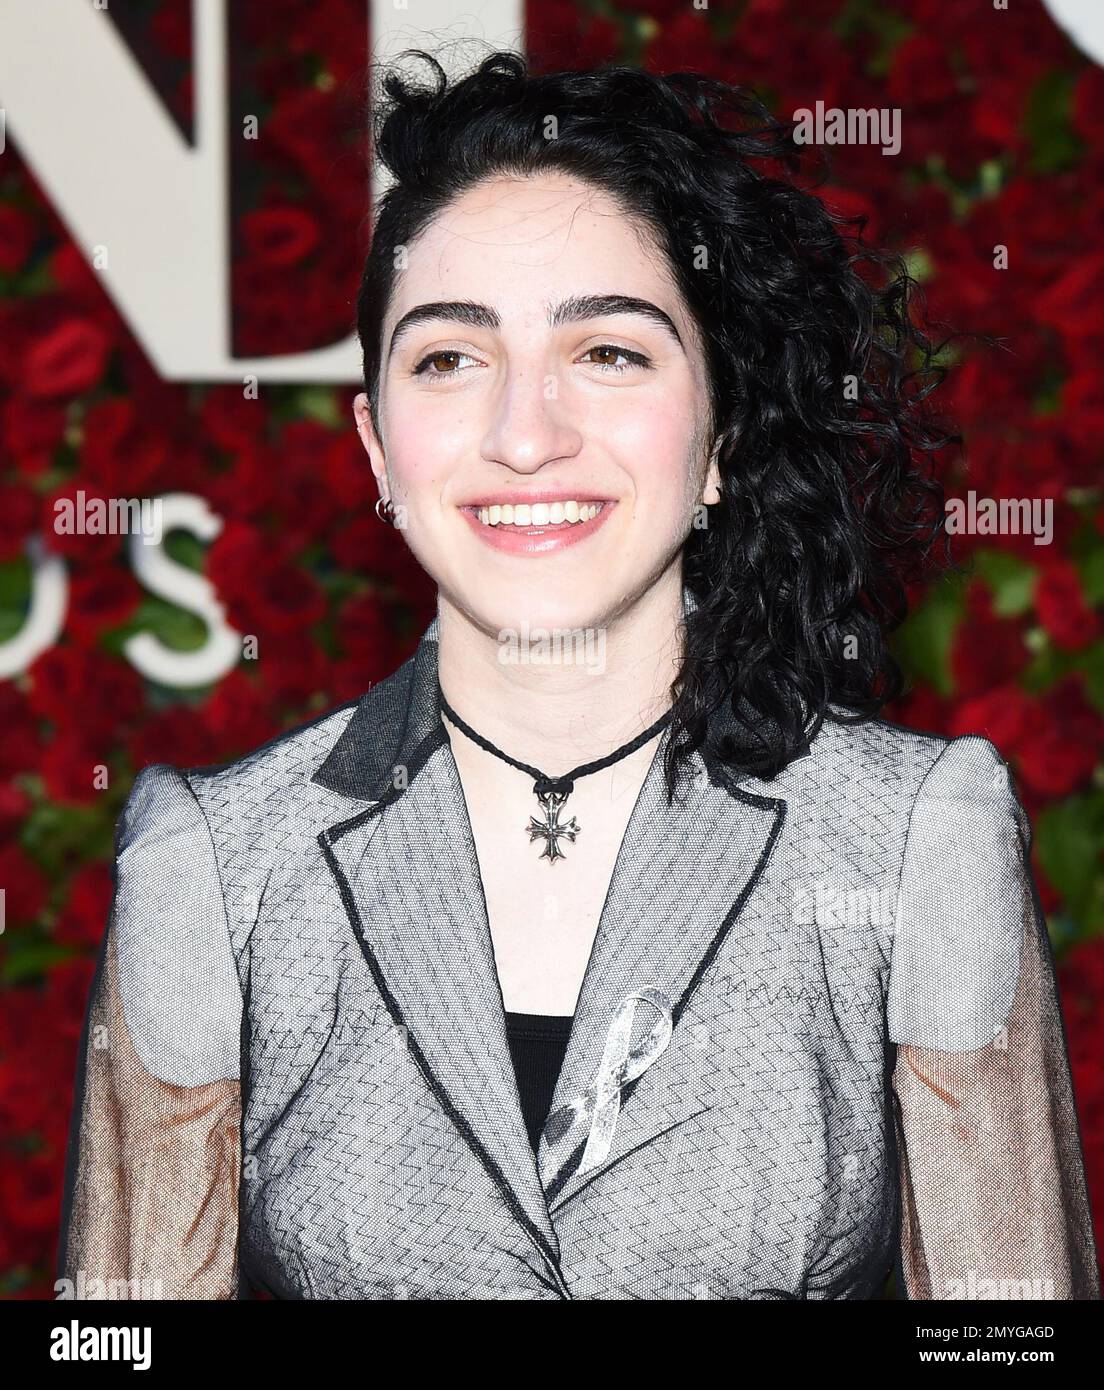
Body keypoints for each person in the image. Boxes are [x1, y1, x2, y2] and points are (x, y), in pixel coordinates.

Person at [56, 47, 1101, 1301]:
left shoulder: (917, 840)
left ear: (717, 433)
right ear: (377, 445)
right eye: (450, 357)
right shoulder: (213, 870)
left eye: (608, 351)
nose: (527, 432)